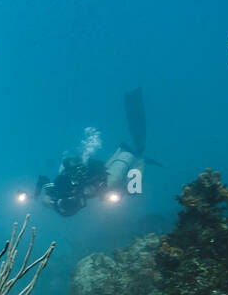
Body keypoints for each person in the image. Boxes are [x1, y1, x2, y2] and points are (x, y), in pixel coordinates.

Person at [36, 88, 147, 217]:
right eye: (74, 171)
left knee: (124, 165)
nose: (79, 173)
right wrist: (52, 202)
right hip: (93, 187)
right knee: (122, 180)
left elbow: (108, 173)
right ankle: (130, 153)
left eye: (80, 169)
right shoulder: (62, 183)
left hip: (102, 181)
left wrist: (127, 188)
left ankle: (131, 153)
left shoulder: (93, 170)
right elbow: (46, 193)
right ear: (68, 172)